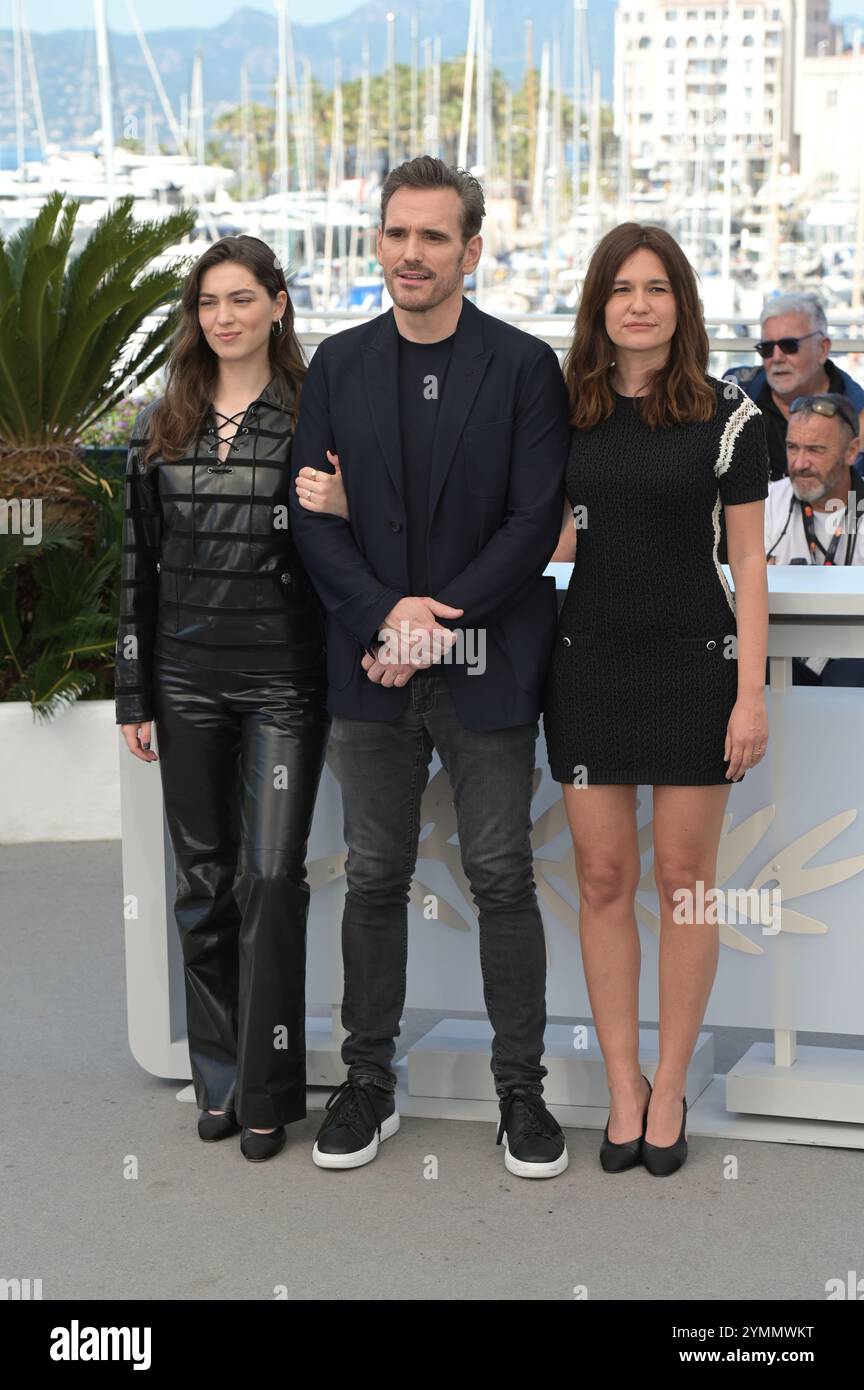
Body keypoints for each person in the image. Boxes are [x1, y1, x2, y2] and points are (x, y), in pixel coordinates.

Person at [288, 156, 572, 1178]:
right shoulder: (337, 365)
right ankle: (368, 1083)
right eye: (398, 233)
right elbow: (309, 516)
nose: (413, 253)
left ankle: (521, 1095)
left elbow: (530, 522)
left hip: (486, 662)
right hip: (370, 661)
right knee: (375, 875)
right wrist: (385, 618)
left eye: (434, 237)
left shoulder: (523, 368)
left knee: (502, 874)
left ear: (472, 249)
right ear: (378, 240)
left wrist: (432, 620)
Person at [543, 223, 770, 1177]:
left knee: (686, 881)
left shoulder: (732, 417)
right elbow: (549, 541)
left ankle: (673, 1083)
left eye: (658, 287)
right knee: (602, 880)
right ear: (599, 306)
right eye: (621, 288)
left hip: (695, 667)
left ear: (683, 303)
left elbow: (750, 564)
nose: (639, 303)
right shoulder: (562, 414)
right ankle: (623, 1085)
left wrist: (748, 696)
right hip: (587, 665)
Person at [115, 235, 331, 1162]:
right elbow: (137, 571)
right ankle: (222, 1080)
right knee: (201, 886)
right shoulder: (161, 425)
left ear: (278, 306)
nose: (225, 318)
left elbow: (355, 553)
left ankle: (272, 1083)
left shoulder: (321, 417)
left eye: (243, 299)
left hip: (286, 680)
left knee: (271, 880)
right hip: (185, 679)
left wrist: (350, 503)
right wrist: (134, 694)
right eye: (209, 303)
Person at [765, 392, 864, 687]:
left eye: (816, 450)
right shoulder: (767, 502)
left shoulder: (856, 504)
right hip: (779, 654)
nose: (799, 463)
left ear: (851, 451)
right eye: (792, 447)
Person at [723, 291, 864, 482]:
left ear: (822, 349)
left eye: (789, 346)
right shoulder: (737, 392)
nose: (777, 358)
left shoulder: (857, 416)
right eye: (767, 348)